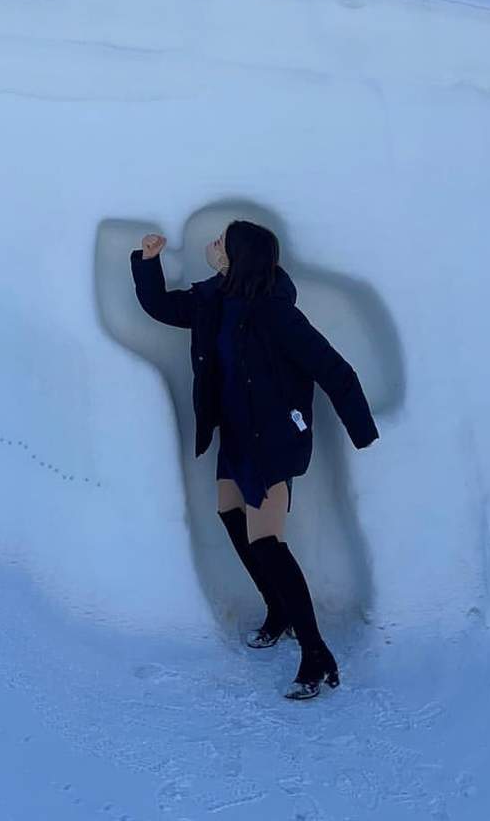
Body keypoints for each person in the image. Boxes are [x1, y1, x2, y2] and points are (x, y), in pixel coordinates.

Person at [130, 220, 378, 699]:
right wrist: (148, 261)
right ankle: (278, 610)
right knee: (229, 513)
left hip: (272, 437)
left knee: (265, 540)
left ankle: (316, 653)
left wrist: (362, 431)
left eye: (222, 241)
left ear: (238, 256)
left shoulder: (275, 312)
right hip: (238, 434)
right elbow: (160, 306)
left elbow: (332, 368)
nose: (214, 244)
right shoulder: (213, 299)